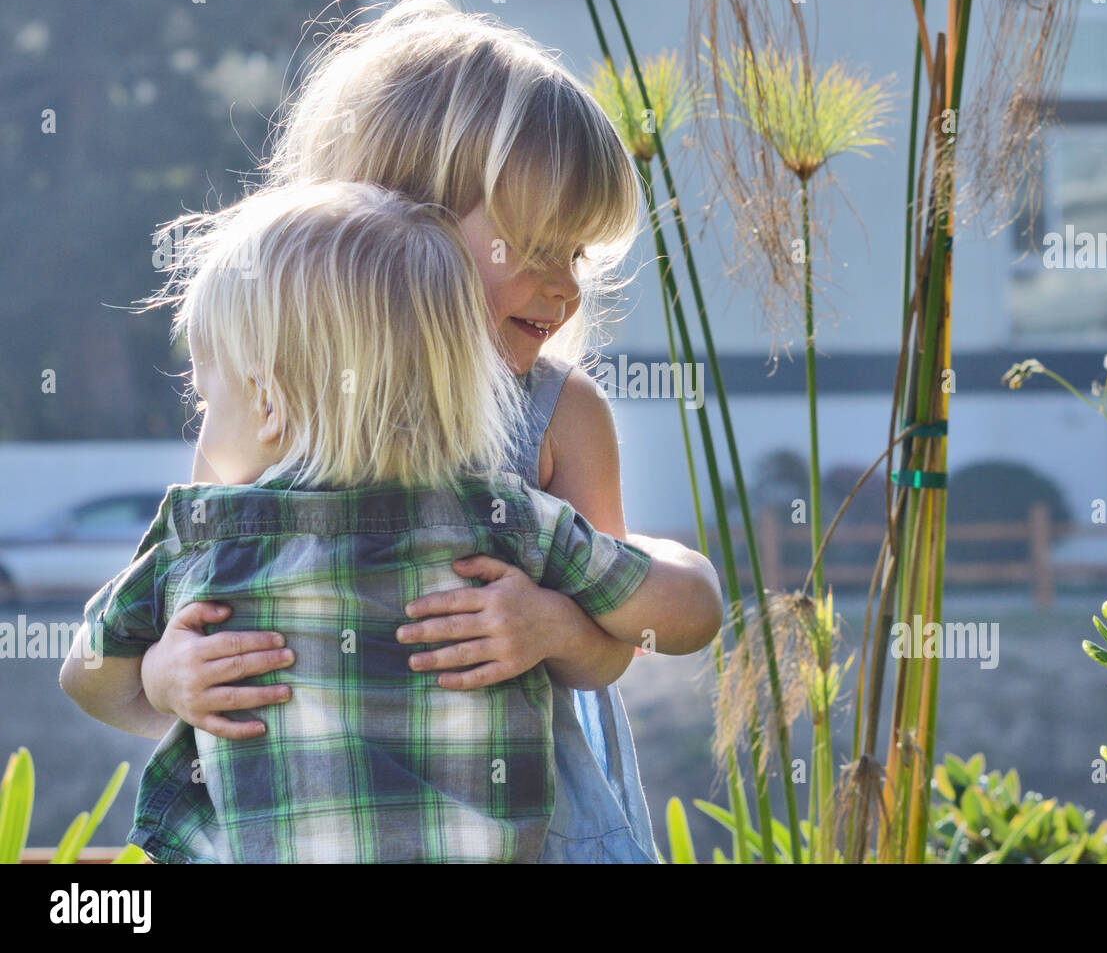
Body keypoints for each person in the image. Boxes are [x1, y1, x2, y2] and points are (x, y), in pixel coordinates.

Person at [133, 0, 706, 863]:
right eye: (538, 246)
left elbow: (628, 636)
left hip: (526, 832)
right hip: (312, 826)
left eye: (579, 255)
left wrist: (552, 625)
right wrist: (167, 676)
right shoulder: (273, 414)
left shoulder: (556, 415)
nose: (567, 287)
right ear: (403, 224)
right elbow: (184, 605)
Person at [58, 180, 723, 863]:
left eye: (204, 401)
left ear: (267, 404)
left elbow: (85, 673)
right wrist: (556, 616)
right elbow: (692, 610)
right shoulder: (506, 522)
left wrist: (162, 681)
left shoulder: (202, 540)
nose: (201, 424)